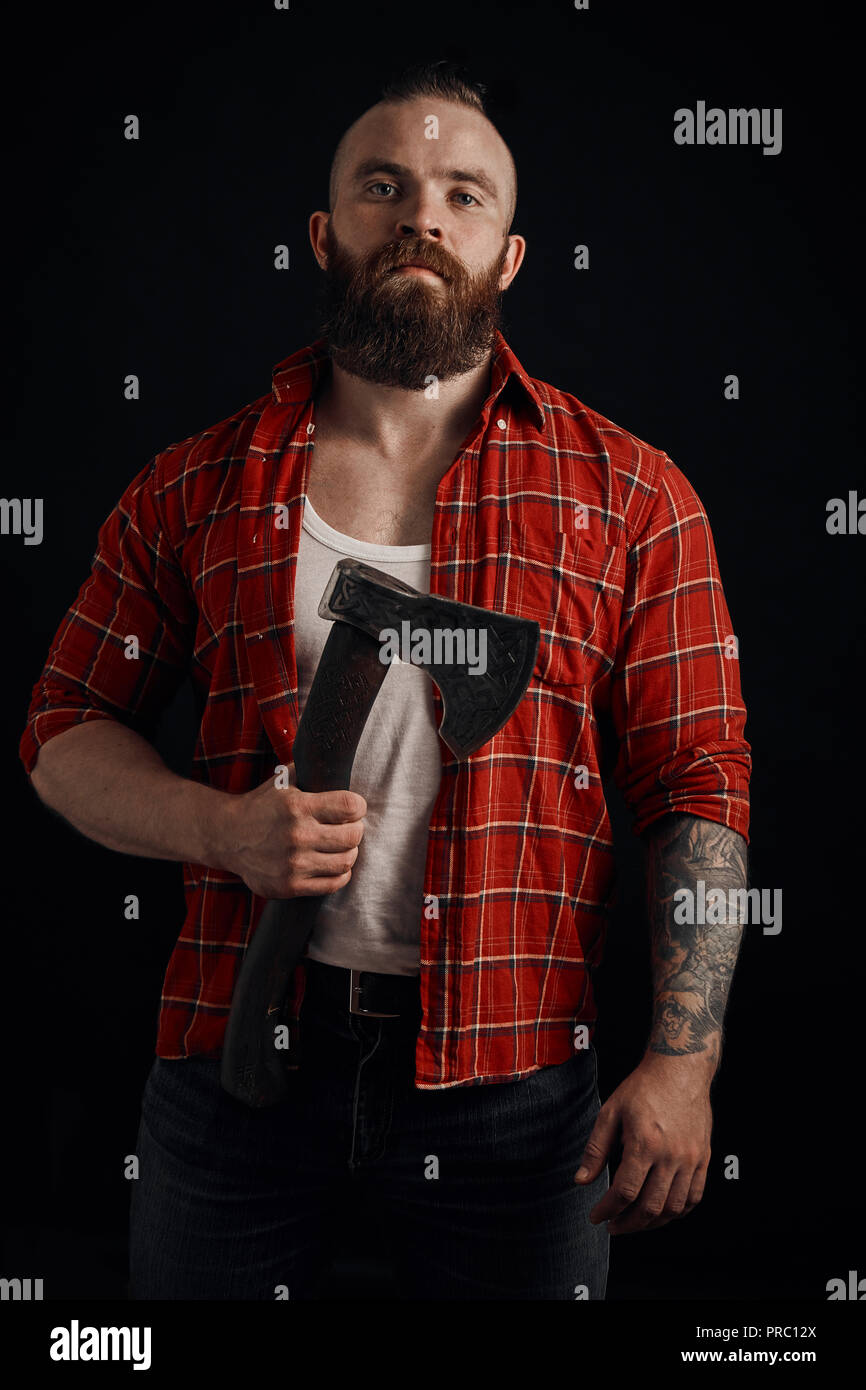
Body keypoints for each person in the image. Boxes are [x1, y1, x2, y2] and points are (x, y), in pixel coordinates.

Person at [19, 60, 751, 1301]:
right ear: (323, 233)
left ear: (507, 257)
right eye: (383, 186)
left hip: (517, 1095)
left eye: (463, 194)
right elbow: (59, 730)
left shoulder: (631, 497)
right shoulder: (192, 486)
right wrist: (222, 829)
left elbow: (695, 781)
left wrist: (684, 1060)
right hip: (232, 1065)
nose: (421, 215)